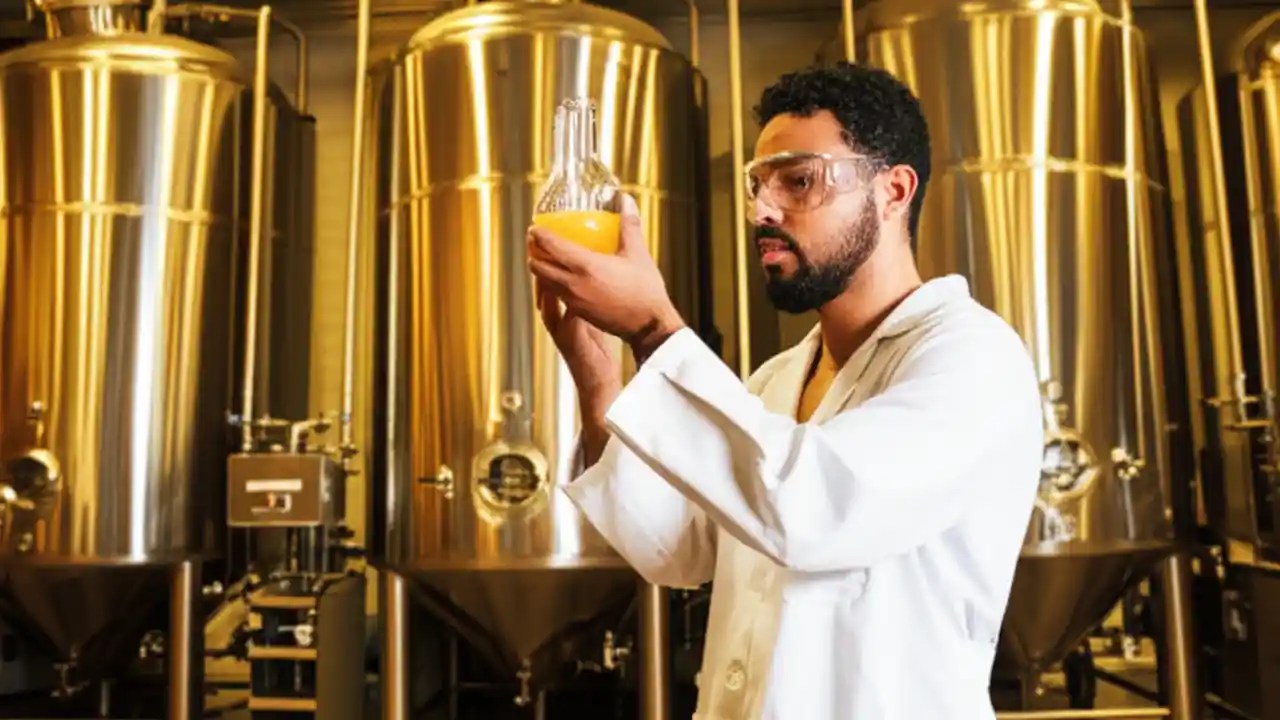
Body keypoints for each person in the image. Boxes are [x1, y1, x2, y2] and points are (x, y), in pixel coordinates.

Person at [526, 62, 1043, 719]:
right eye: (758, 184)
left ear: (893, 191)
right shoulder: (774, 381)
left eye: (799, 180)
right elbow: (675, 550)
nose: (763, 210)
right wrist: (597, 371)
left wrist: (655, 327)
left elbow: (813, 508)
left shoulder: (971, 359)